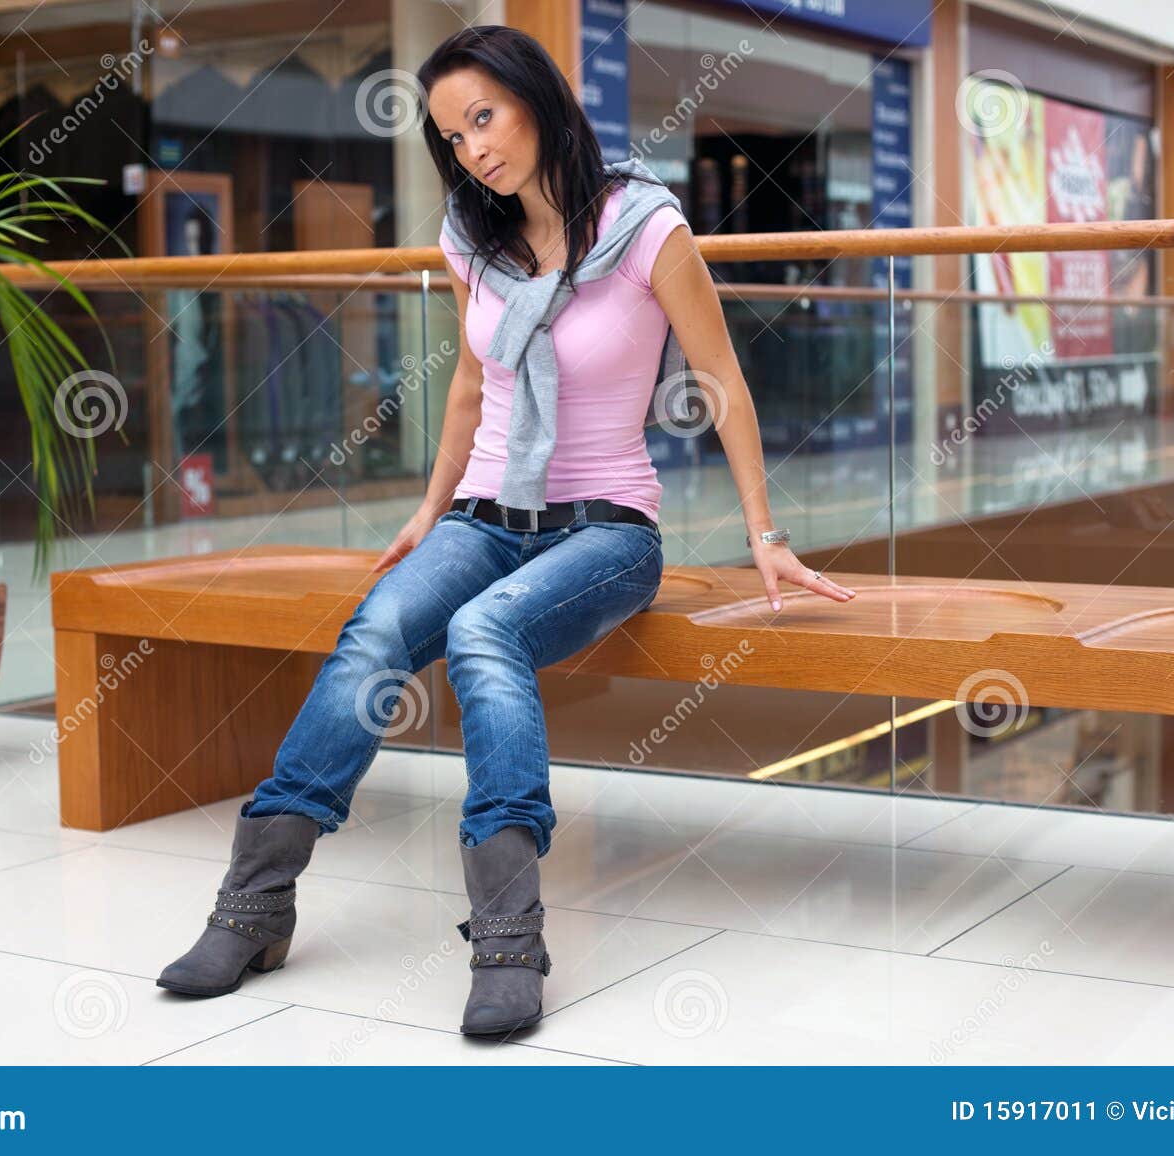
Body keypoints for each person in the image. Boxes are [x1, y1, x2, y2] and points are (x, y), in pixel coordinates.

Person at [156, 24, 857, 1037]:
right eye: (451, 135)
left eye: (483, 117)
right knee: (381, 627)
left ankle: (508, 938)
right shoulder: (468, 239)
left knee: (485, 633)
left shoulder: (645, 226)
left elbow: (722, 382)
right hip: (485, 515)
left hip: (604, 528)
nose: (471, 148)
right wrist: (429, 512)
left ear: (537, 100)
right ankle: (255, 903)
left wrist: (765, 530)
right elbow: (470, 393)